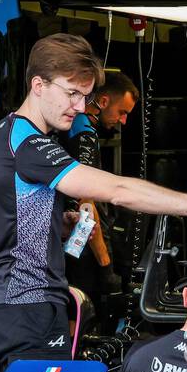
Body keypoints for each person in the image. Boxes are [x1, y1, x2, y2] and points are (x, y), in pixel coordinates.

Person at [0, 35, 187, 367]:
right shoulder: (31, 145)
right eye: (72, 93)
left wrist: (55, 225)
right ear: (38, 84)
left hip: (0, 303)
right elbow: (118, 191)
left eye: (85, 96)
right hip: (28, 306)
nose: (80, 107)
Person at [65, 70, 140, 311]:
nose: (123, 121)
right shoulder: (83, 132)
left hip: (67, 242)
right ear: (104, 101)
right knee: (83, 316)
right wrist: (105, 265)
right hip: (77, 247)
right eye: (122, 112)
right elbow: (84, 201)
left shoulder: (73, 124)